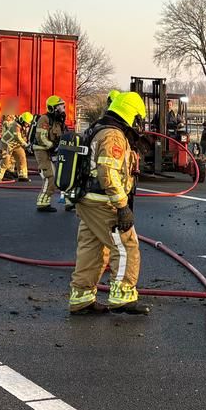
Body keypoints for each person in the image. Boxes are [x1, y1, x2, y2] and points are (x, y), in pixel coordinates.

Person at [69, 91, 148, 315]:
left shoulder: (97, 127)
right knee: (125, 245)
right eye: (138, 119)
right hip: (103, 202)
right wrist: (122, 206)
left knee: (91, 248)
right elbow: (108, 173)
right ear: (131, 115)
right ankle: (122, 296)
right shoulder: (113, 135)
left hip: (87, 200)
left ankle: (81, 298)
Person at [31, 96, 68, 212]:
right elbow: (41, 137)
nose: (62, 109)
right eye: (59, 107)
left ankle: (69, 201)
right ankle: (42, 203)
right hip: (42, 150)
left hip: (52, 151)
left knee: (60, 175)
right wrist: (52, 146)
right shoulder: (45, 119)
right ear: (52, 108)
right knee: (50, 176)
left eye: (63, 106)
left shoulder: (58, 121)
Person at [0, 112, 30, 181]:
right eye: (26, 123)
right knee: (6, 160)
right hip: (6, 144)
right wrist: (27, 145)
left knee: (21, 158)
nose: (27, 125)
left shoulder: (23, 127)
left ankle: (22, 176)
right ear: (22, 121)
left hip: (16, 145)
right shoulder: (15, 126)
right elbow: (18, 137)